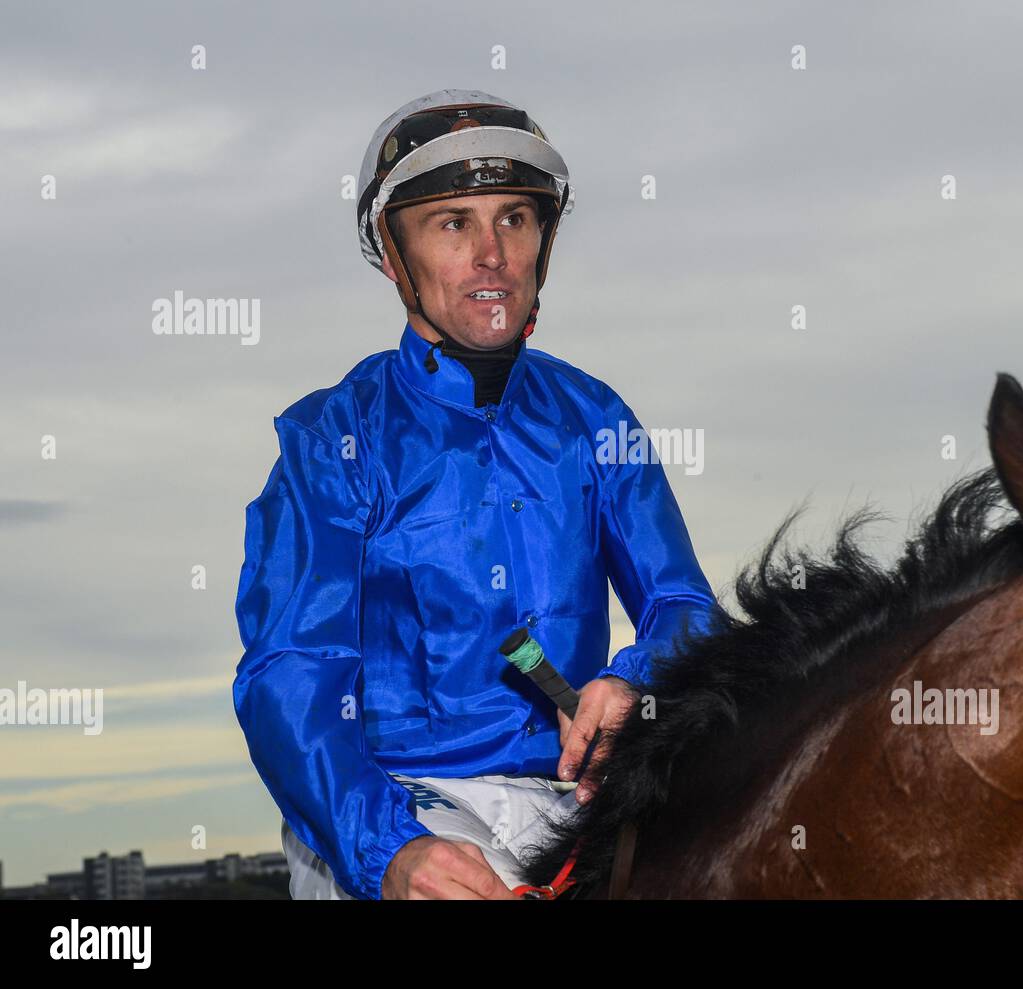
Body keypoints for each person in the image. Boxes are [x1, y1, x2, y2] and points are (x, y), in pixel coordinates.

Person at [232, 90, 717, 900]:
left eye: (515, 219)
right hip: (393, 816)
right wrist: (389, 850)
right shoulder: (329, 440)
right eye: (454, 223)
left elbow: (685, 604)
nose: (492, 253)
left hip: (576, 806)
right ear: (395, 257)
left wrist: (632, 680)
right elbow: (290, 677)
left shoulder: (596, 416)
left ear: (543, 242)